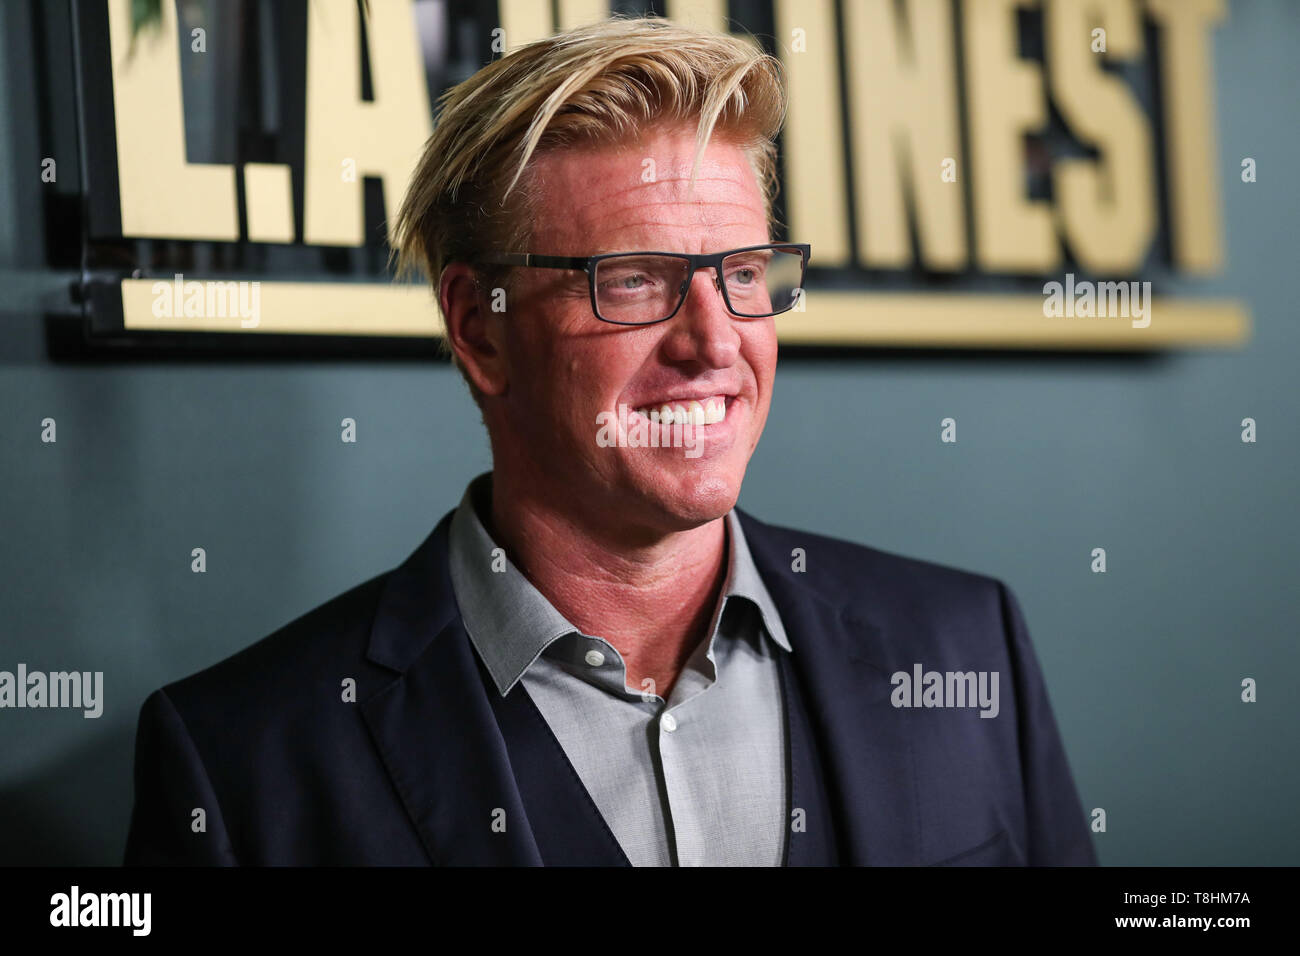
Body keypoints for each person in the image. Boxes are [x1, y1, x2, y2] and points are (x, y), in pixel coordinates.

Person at [124, 15, 1095, 866]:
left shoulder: (966, 646)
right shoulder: (242, 762)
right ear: (480, 327)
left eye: (745, 272)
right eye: (634, 279)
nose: (716, 343)